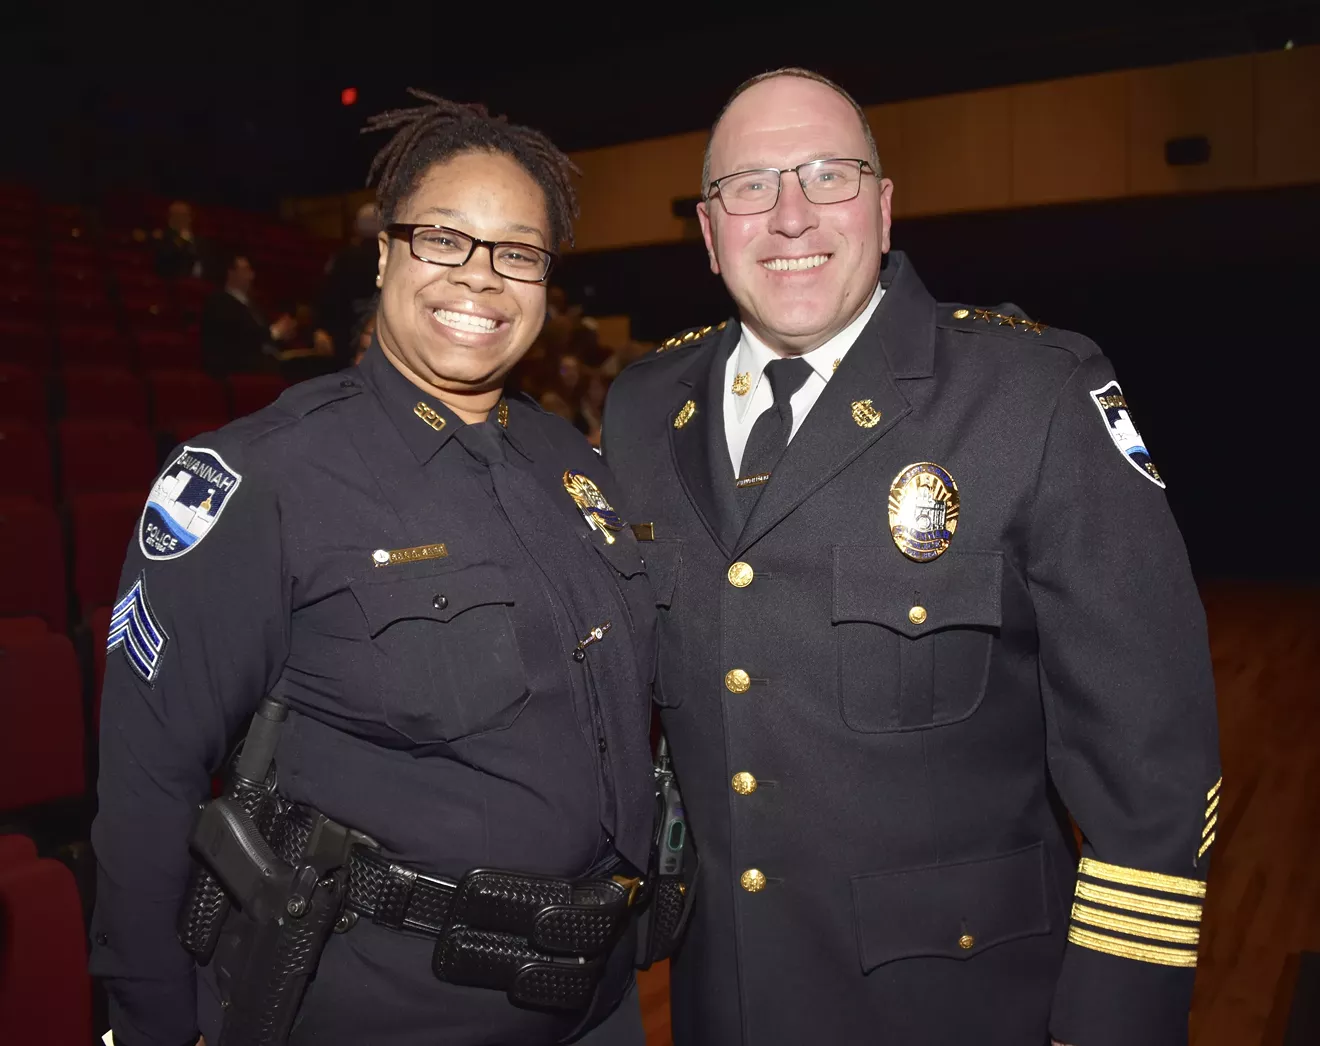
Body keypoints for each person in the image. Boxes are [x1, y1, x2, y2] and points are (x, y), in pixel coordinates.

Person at [601, 67, 1221, 1046]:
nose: (792, 215)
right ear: (711, 230)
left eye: (829, 175)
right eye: (751, 186)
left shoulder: (1032, 393)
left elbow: (1154, 760)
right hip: (728, 1002)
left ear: (884, 208)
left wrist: (1113, 1020)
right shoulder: (640, 408)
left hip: (964, 1005)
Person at [92, 90, 658, 1046]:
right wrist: (149, 1023)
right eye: (444, 238)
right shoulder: (256, 479)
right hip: (384, 1010)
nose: (480, 278)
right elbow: (149, 782)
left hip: (597, 1003)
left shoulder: (573, 463)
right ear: (387, 253)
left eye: (517, 252)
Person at [200, 251, 298, 378]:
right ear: (231, 273)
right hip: (239, 366)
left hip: (266, 361)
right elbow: (238, 338)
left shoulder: (253, 305)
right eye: (246, 270)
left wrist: (283, 334)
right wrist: (274, 333)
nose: (251, 276)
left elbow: (263, 336)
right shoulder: (219, 302)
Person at [317, 202, 385, 365]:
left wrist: (322, 328)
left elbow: (329, 296)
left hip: (345, 336)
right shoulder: (393, 257)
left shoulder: (343, 258)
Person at [154, 200, 208, 280]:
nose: (185, 219)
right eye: (179, 216)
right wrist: (181, 239)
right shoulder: (163, 237)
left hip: (200, 284)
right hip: (174, 283)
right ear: (170, 218)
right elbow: (166, 257)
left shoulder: (198, 239)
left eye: (187, 215)